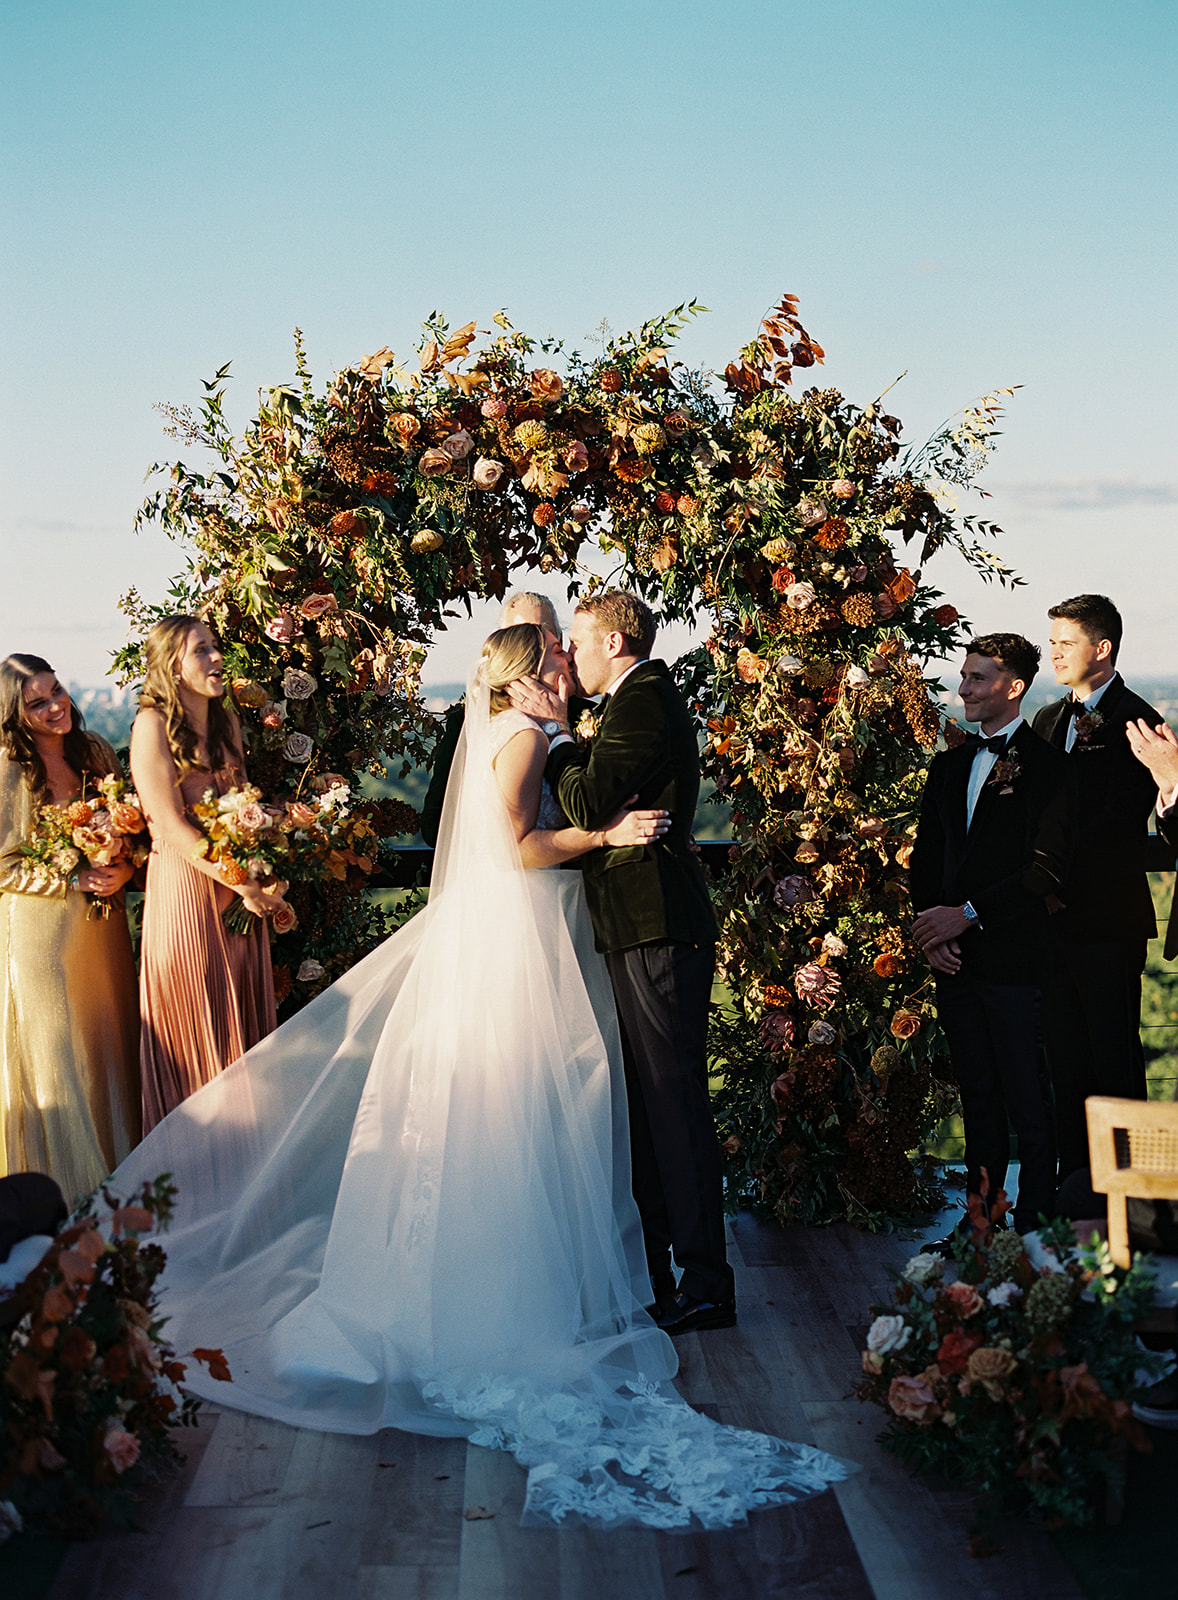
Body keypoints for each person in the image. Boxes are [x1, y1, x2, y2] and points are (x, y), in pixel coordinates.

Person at [106, 621, 851, 1528]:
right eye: (557, 655)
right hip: (525, 937)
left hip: (519, 936)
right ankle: (528, 1291)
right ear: (530, 673)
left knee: (521, 1108)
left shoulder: (514, 729)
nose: (569, 662)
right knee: (526, 1107)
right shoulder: (526, 736)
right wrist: (602, 833)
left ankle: (553, 1277)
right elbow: (519, 847)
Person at [508, 592, 733, 1335]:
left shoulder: (644, 701)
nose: (569, 655)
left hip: (657, 924)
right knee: (649, 1105)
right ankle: (662, 1273)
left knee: (674, 1103)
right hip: (636, 925)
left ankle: (707, 1284)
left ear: (613, 641)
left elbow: (585, 802)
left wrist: (558, 733)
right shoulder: (629, 702)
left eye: (576, 641)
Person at [910, 634, 1074, 1237]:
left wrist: (969, 914)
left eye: (978, 678)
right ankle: (981, 1223)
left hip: (1016, 960)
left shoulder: (1050, 768)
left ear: (1014, 686)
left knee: (1029, 1099)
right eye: (964, 676)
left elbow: (1046, 870)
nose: (964, 689)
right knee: (977, 1096)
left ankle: (1033, 1226)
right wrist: (934, 931)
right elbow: (925, 858)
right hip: (954, 962)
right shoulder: (948, 766)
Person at [131, 617, 286, 1131]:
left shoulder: (227, 724)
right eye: (202, 650)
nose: (217, 657)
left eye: (215, 647)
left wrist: (268, 865)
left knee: (242, 1032)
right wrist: (242, 881)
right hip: (188, 890)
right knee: (198, 1027)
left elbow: (244, 806)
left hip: (239, 897)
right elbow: (170, 824)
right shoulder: (151, 726)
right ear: (173, 667)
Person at [0, 655, 140, 1202]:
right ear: (15, 713)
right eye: (37, 703)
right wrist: (72, 875)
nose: (55, 706)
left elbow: (134, 829)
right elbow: (3, 866)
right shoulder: (9, 768)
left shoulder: (96, 750)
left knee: (107, 1046)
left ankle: (124, 1185)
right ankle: (66, 1193)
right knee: (56, 1054)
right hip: (41, 932)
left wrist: (124, 867)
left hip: (102, 931)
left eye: (55, 691)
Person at [1031, 595, 1162, 1180]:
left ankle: (1131, 1191)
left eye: (1067, 643)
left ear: (1102, 648)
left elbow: (1118, 820)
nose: (1055, 653)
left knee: (1114, 1059)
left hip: (1107, 919)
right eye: (1052, 643)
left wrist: (1053, 879)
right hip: (1049, 922)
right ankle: (1075, 1188)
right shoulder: (1046, 720)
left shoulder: (1139, 722)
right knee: (1063, 1060)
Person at [419, 591, 587, 848]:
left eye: (540, 633)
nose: (526, 641)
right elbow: (436, 825)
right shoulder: (467, 722)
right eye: (517, 635)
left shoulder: (587, 715)